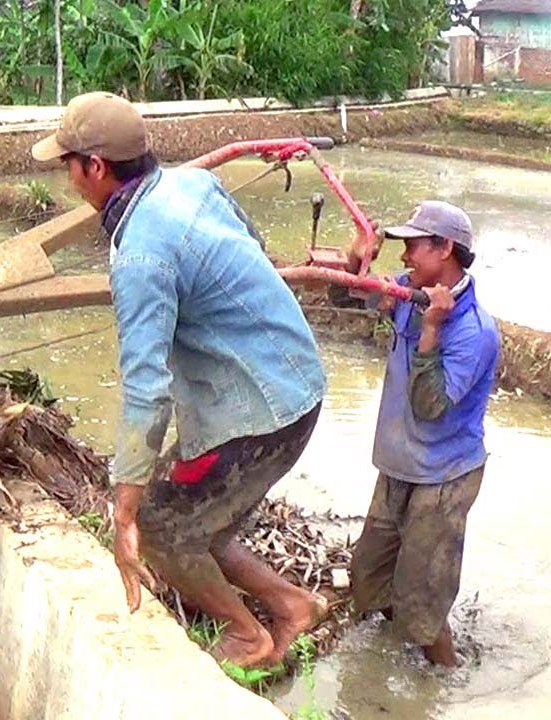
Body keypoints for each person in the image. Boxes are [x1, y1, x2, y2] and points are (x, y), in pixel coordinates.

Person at [31, 92, 329, 668]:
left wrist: (122, 510)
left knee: (158, 526)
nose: (67, 179)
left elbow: (146, 390)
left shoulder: (141, 254)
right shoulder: (189, 184)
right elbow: (255, 247)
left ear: (96, 166)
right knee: (199, 520)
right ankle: (292, 604)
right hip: (296, 381)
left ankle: (250, 637)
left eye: (69, 164)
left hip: (262, 414)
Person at [346, 201, 499, 667]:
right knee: (368, 575)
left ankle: (441, 683)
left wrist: (431, 331)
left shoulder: (474, 332)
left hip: (444, 476)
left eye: (414, 245)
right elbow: (359, 294)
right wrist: (359, 264)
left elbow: (429, 406)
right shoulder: (410, 293)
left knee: (422, 601)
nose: (405, 256)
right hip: (400, 463)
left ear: (445, 248)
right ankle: (385, 660)